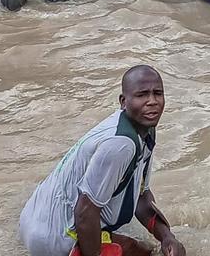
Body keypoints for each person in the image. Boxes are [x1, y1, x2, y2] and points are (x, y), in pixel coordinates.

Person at [18, 65, 185, 256]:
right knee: (140, 252)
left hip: (34, 218)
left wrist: (166, 237)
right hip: (52, 237)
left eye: (158, 94)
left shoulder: (143, 129)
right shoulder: (121, 144)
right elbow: (84, 212)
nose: (152, 102)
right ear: (123, 101)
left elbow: (141, 198)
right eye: (142, 95)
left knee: (148, 249)